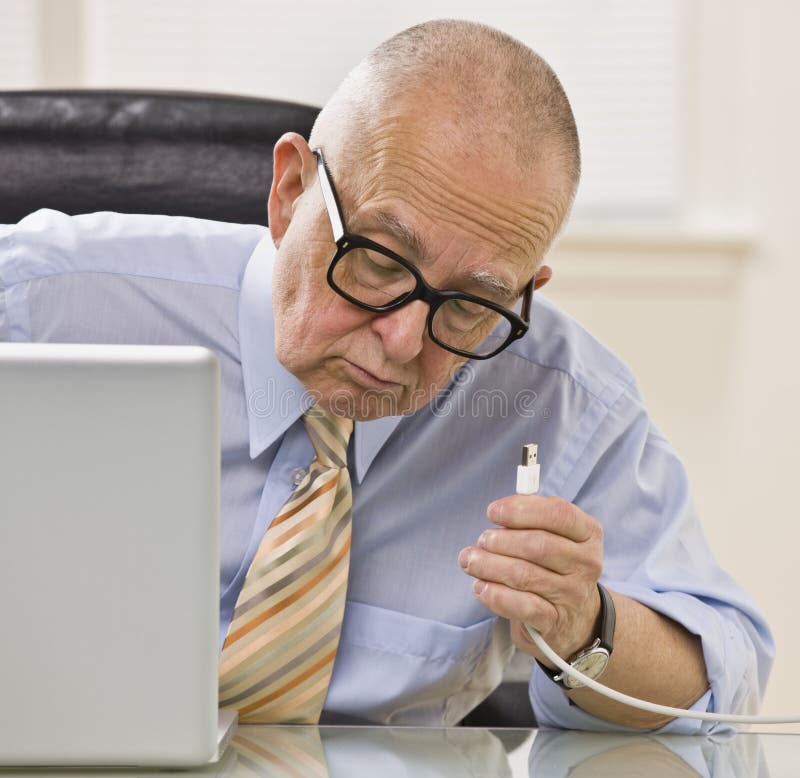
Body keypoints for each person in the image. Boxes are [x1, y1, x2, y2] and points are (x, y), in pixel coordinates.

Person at [0, 19, 772, 732]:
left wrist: (588, 625)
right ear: (291, 192)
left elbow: (725, 669)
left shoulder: (560, 399)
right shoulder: (45, 301)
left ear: (524, 292)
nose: (403, 340)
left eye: (470, 304)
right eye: (375, 260)